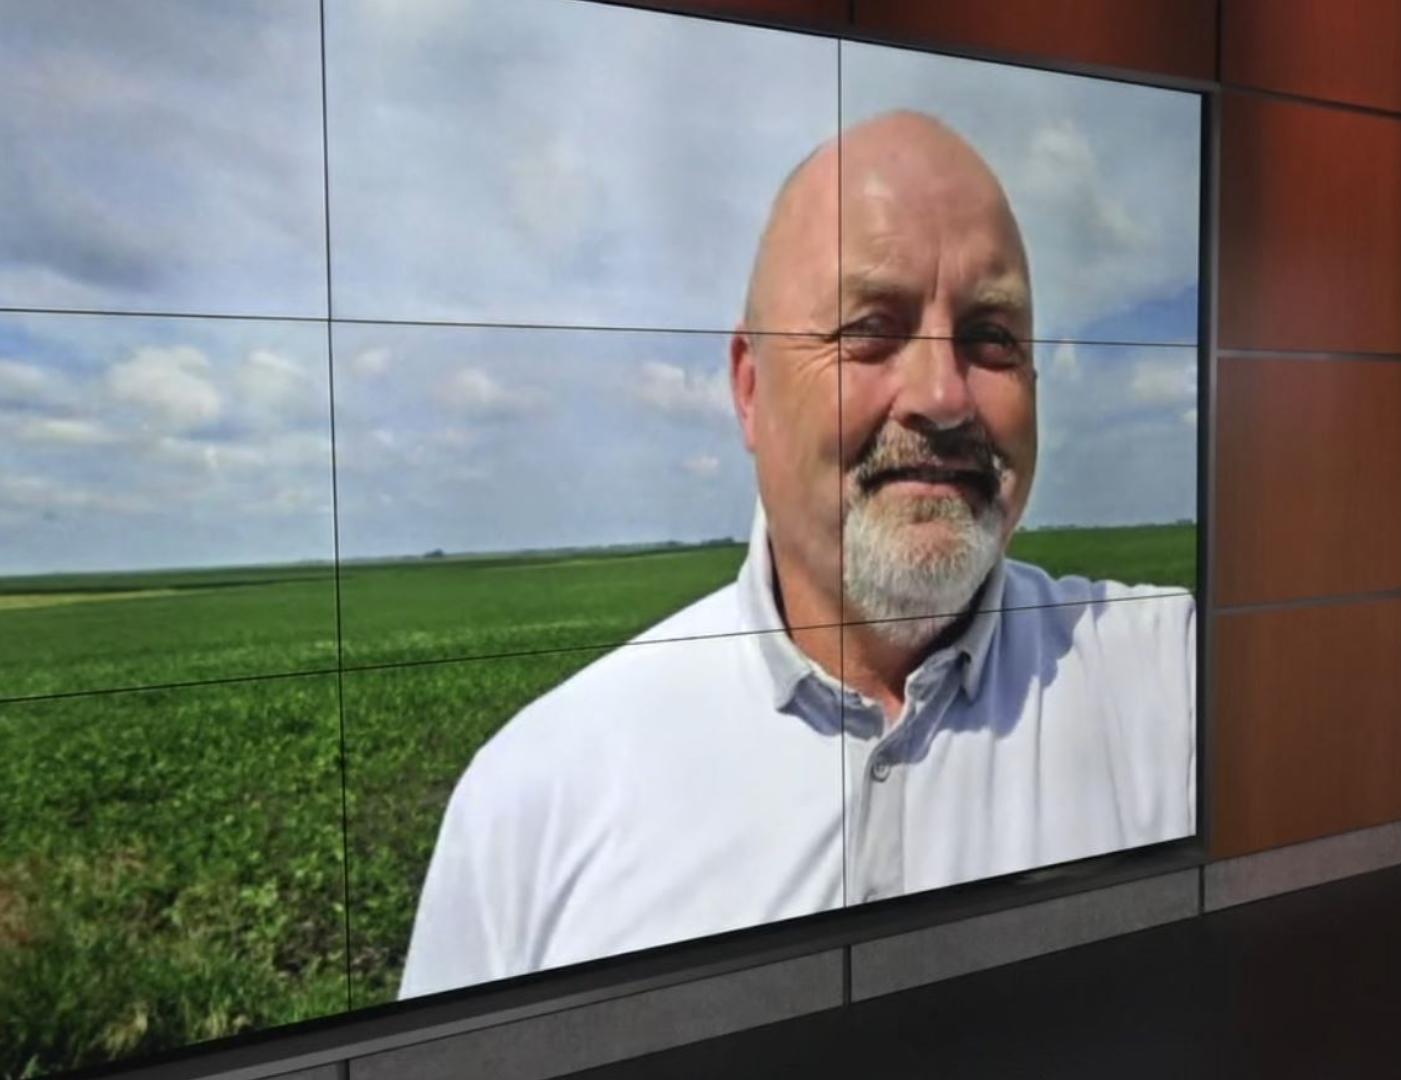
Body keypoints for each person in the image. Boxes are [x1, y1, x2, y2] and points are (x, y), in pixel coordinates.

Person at [397, 111, 1195, 999]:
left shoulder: (1179, 686)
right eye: (870, 328)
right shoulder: (539, 796)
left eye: (991, 337)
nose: (941, 395)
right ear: (749, 389)